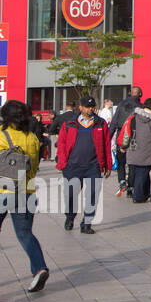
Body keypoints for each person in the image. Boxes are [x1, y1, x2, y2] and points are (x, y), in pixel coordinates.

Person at [0, 101, 50, 293]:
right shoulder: (32, 137)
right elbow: (35, 166)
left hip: (3, 191)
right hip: (26, 192)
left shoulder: (1, 134)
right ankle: (39, 268)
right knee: (25, 234)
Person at [56, 95, 112, 234]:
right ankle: (70, 217)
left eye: (92, 106)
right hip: (72, 166)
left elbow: (106, 144)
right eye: (87, 107)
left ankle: (86, 223)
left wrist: (108, 165)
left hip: (93, 166)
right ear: (80, 107)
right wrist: (63, 163)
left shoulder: (100, 123)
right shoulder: (69, 123)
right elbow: (61, 144)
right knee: (70, 194)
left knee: (93, 195)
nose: (90, 109)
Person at [124, 98, 151, 203]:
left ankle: (145, 193)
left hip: (133, 148)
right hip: (147, 151)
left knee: (141, 172)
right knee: (142, 172)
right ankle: (138, 196)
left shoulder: (134, 116)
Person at [109, 86, 143, 197]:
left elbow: (114, 122)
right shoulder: (141, 107)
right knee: (132, 163)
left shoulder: (121, 105)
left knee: (121, 162)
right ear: (140, 94)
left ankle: (122, 181)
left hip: (121, 137)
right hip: (135, 138)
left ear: (130, 93)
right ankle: (131, 186)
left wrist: (108, 138)